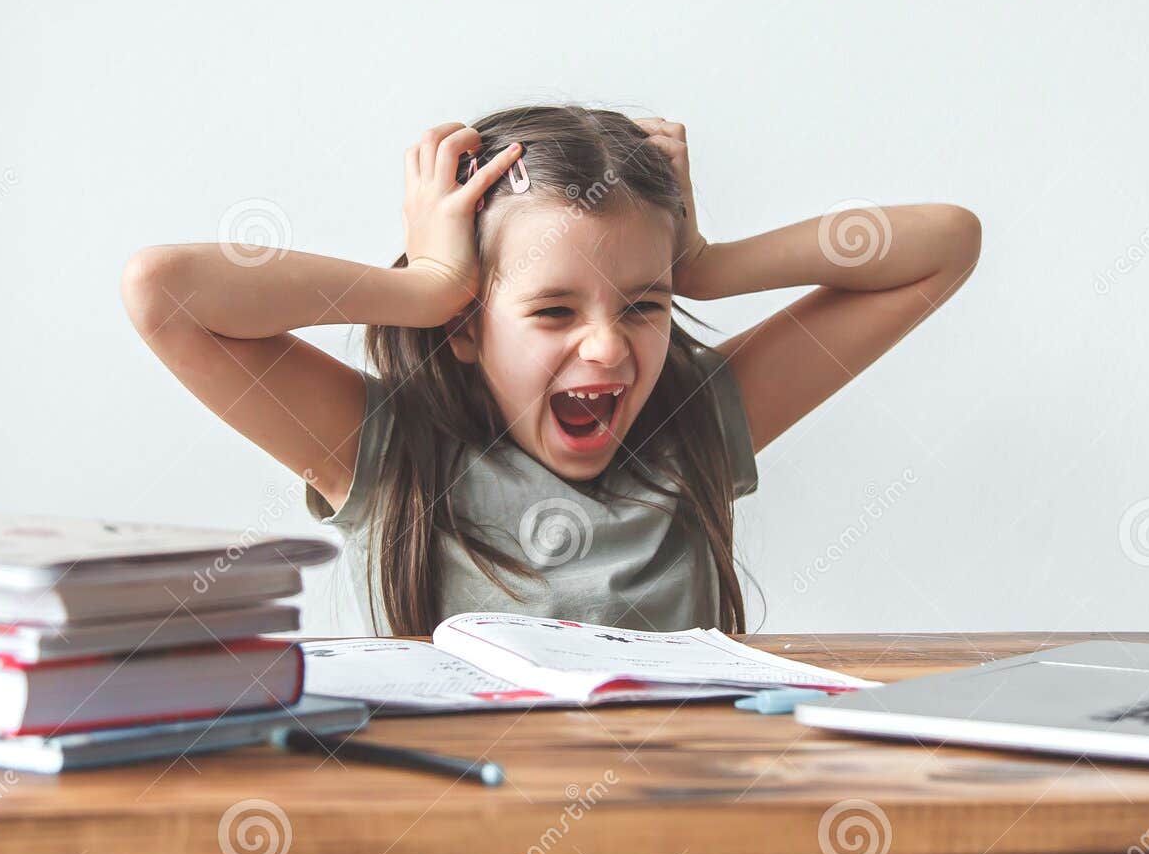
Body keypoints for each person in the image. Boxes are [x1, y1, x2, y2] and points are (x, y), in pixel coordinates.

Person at [120, 106, 981, 635]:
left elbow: (944, 244)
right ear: (464, 324)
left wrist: (707, 265)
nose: (608, 347)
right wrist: (420, 288)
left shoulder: (695, 424)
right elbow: (164, 293)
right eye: (554, 311)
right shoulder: (383, 452)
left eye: (644, 304)